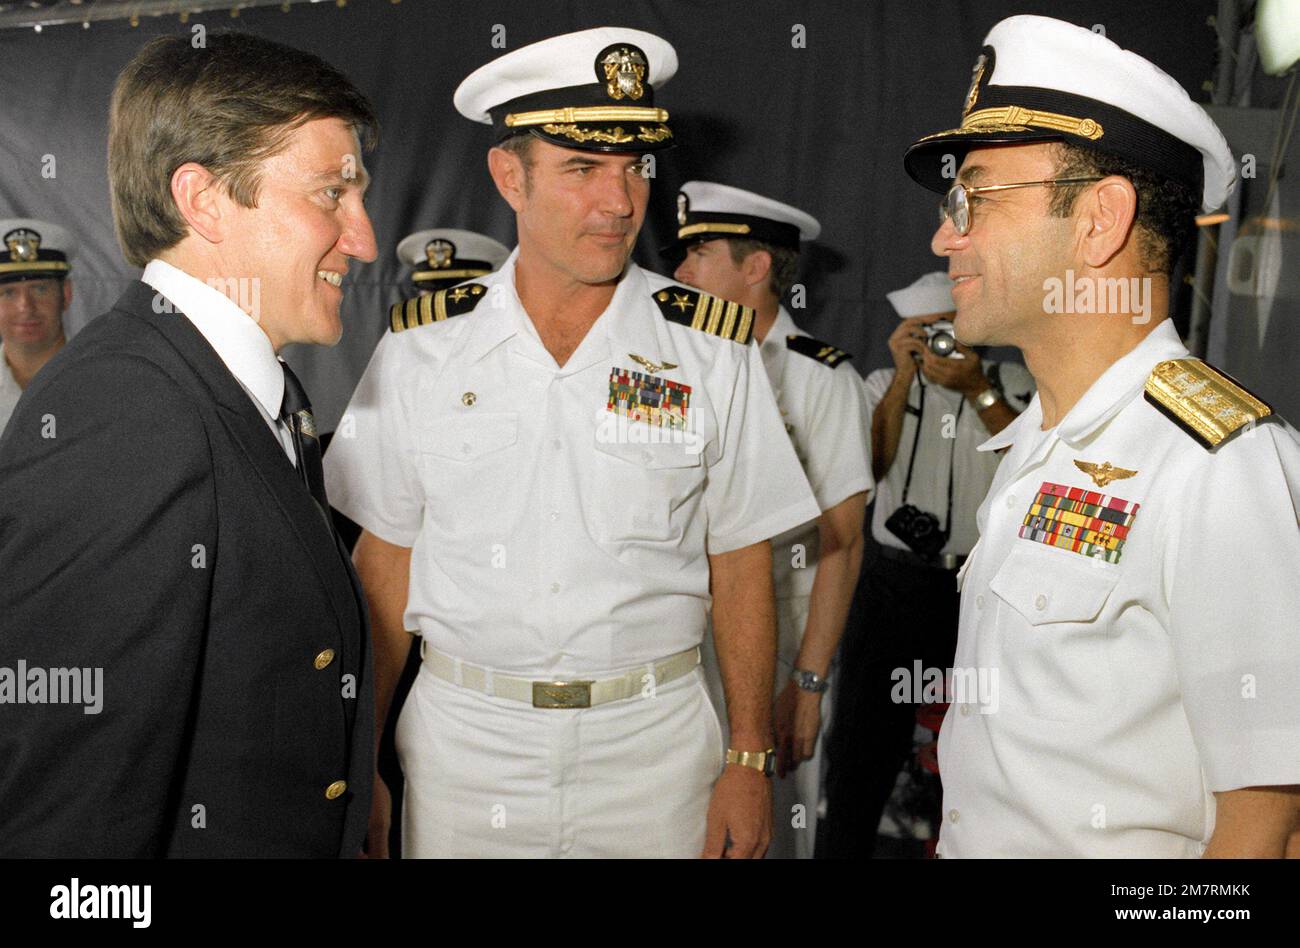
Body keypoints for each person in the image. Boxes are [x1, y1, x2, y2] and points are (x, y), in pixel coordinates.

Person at [324, 27, 820, 859]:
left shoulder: (709, 349)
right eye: (582, 169)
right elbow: (387, 562)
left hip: (656, 750)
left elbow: (740, 560)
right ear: (508, 176)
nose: (620, 202)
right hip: (465, 750)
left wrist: (747, 756)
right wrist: (363, 756)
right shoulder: (421, 349)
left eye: (633, 169)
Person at [903, 14, 1300, 857]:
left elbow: (1267, 822)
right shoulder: (1041, 443)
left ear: (1099, 220)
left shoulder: (1216, 467)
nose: (945, 235)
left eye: (975, 198)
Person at [0, 32, 379, 857]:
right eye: (330, 196)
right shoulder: (126, 412)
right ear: (203, 201)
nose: (364, 240)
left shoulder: (238, 383)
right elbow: (70, 813)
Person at [669, 181, 873, 858]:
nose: (680, 272)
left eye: (700, 254)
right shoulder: (674, 365)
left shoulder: (823, 379)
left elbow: (841, 545)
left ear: (755, 268)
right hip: (672, 646)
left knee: (765, 837)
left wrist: (808, 683)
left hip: (778, 647)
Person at [820, 271, 1033, 857]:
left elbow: (1032, 470)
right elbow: (867, 469)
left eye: (951, 332)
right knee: (862, 749)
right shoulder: (883, 382)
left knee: (982, 752)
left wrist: (976, 390)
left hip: (980, 590)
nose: (943, 345)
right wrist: (902, 377)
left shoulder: (1015, 383)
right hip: (894, 581)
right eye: (929, 333)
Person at [0, 219, 74, 434]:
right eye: (8, 293)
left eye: (40, 289)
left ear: (66, 294)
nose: (25, 306)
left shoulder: (105, 378)